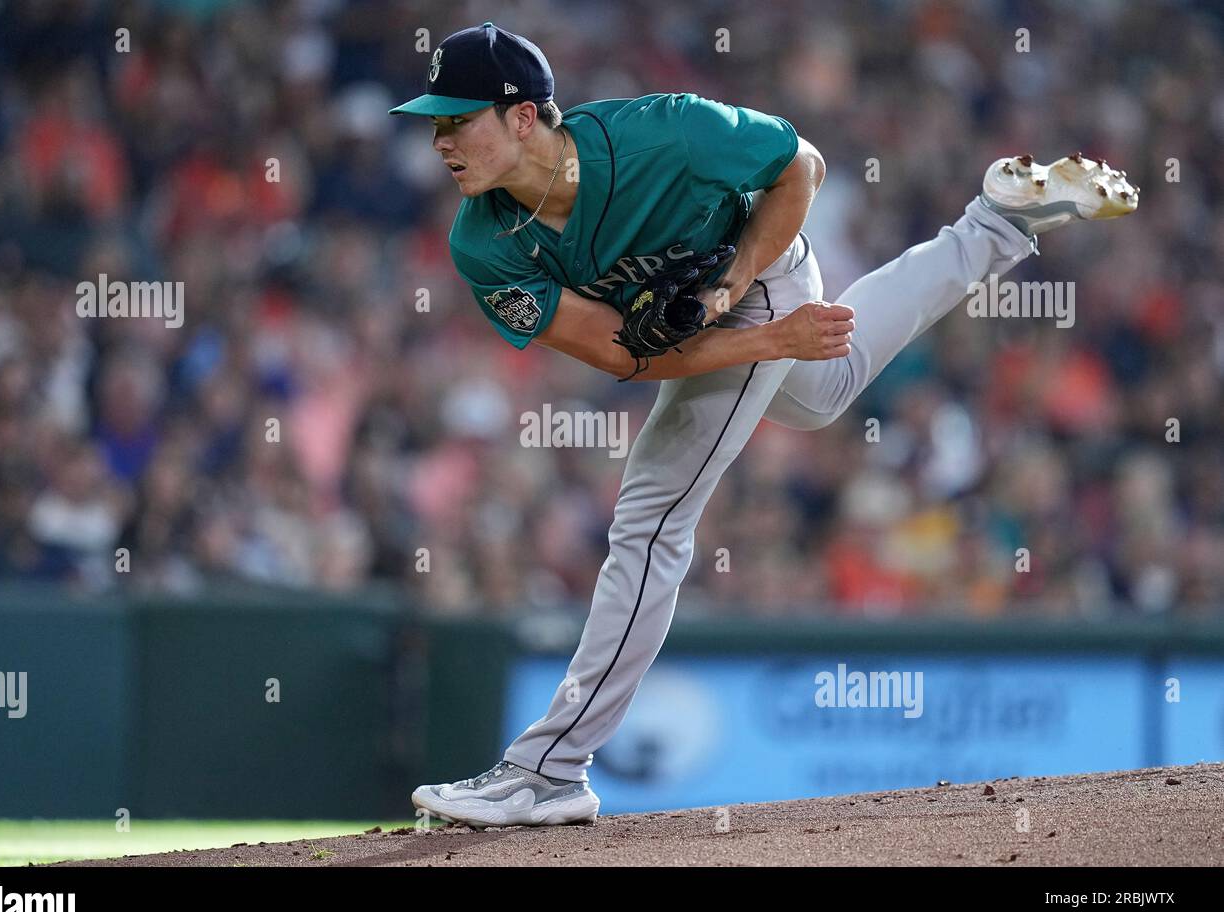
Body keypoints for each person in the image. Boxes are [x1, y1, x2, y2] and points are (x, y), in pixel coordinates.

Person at [389, 21, 1138, 828]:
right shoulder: (483, 241)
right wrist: (762, 344)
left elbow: (800, 167)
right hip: (726, 323)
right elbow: (617, 355)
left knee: (650, 517)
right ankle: (995, 223)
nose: (441, 140)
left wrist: (743, 297)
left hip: (766, 269)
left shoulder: (664, 132)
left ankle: (548, 769)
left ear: (525, 117)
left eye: (458, 119)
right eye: (434, 124)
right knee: (824, 391)